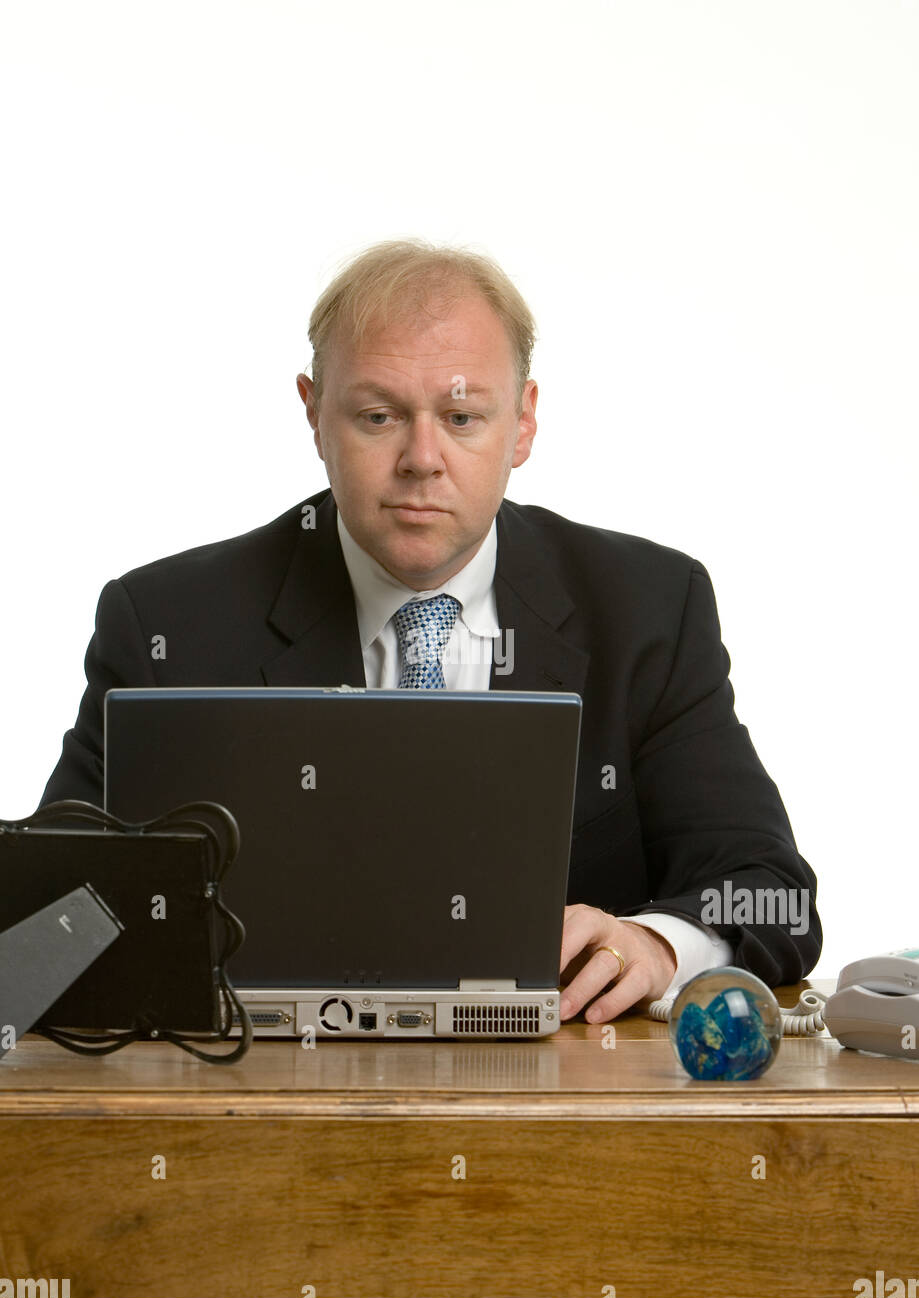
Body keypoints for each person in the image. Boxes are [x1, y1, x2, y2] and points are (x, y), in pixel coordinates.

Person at [38, 238, 821, 1023]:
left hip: (563, 1103)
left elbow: (768, 892)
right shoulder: (164, 622)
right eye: (377, 416)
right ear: (314, 414)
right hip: (252, 1098)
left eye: (460, 417)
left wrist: (655, 945)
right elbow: (44, 921)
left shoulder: (648, 608)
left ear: (522, 423)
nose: (421, 459)